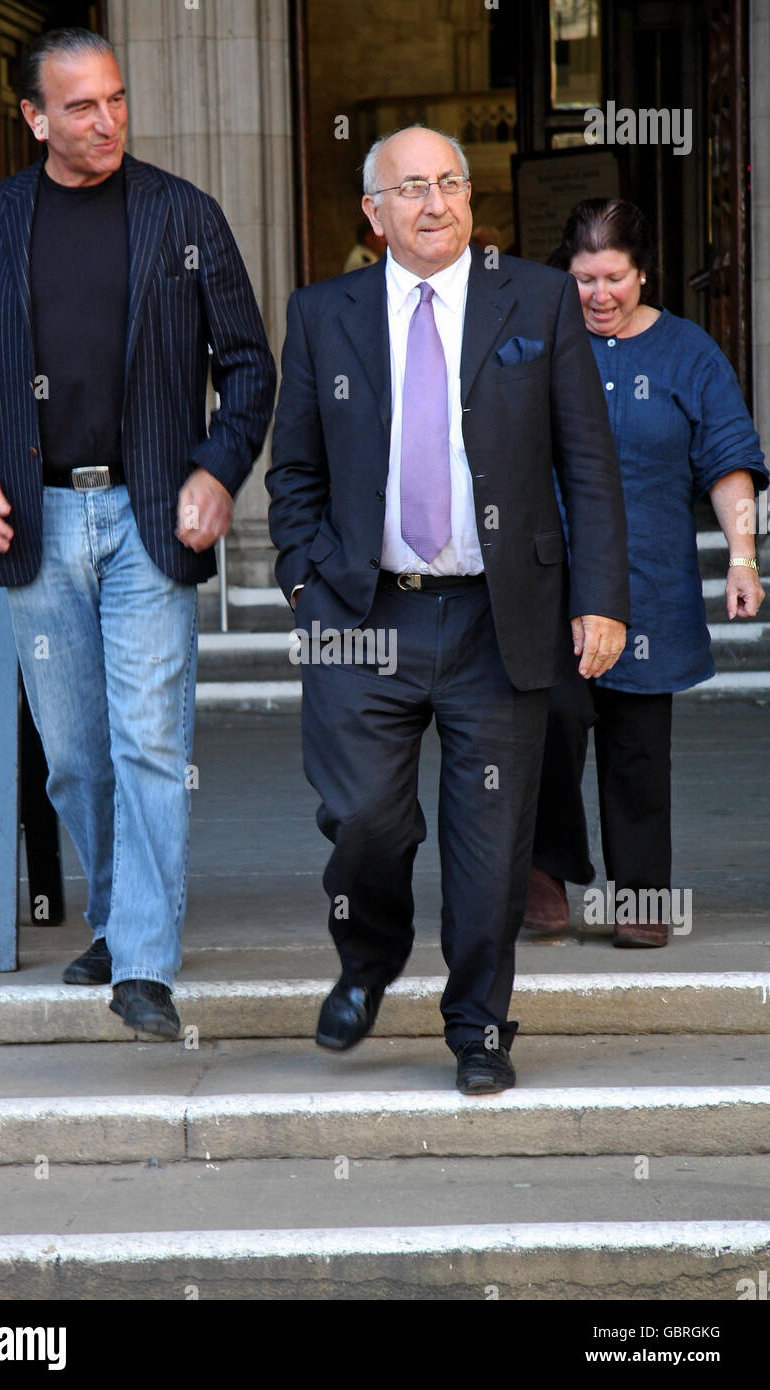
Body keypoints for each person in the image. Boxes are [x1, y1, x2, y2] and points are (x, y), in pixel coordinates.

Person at [0, 28, 276, 1040]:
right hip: (34, 522)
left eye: (115, 99)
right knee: (77, 757)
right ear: (35, 118)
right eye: (80, 107)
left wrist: (216, 470)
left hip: (147, 517)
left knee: (152, 741)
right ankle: (126, 916)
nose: (106, 119)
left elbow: (248, 365)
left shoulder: (185, 215)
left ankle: (145, 964)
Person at [267, 126, 630, 1095]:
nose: (436, 203)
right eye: (412, 187)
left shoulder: (538, 300)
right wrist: (305, 580)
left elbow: (586, 464)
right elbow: (292, 470)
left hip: (494, 615)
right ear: (372, 212)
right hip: (361, 611)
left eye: (451, 183)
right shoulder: (322, 315)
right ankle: (369, 956)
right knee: (362, 819)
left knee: (489, 841)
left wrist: (599, 598)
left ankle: (478, 1023)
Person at [524, 198, 767, 946]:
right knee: (551, 727)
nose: (598, 295)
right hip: (551, 581)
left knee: (637, 748)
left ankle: (639, 898)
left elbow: (727, 458)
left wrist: (742, 556)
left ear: (641, 274)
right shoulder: (537, 341)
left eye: (613, 278)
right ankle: (545, 870)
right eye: (583, 279)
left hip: (649, 583)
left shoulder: (688, 352)